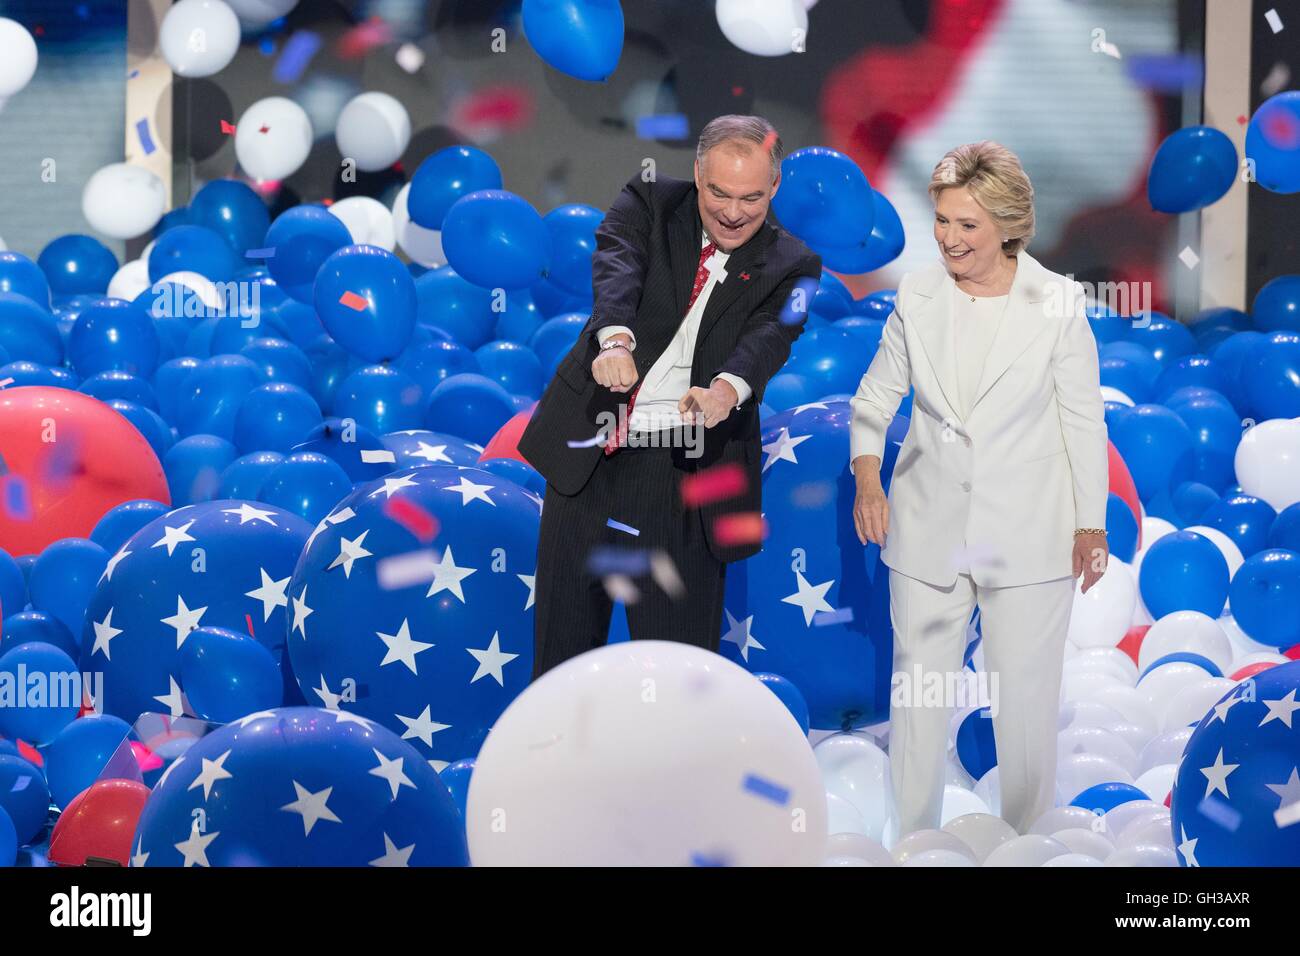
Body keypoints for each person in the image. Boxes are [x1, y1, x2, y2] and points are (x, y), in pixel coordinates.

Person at [849, 140, 1110, 836]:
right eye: (942, 220)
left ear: (1006, 226)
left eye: (967, 225)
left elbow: (1083, 419)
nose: (948, 238)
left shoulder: (1056, 302)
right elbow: (874, 398)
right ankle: (908, 843)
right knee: (917, 698)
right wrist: (868, 478)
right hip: (928, 524)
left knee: (1024, 704)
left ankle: (1023, 843)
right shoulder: (916, 292)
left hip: (1026, 533)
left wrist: (1091, 524)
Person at [518, 114, 822, 680]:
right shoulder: (648, 202)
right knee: (560, 664)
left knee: (679, 676)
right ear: (697, 176)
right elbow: (618, 266)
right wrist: (613, 339)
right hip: (593, 457)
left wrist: (727, 390)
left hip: (690, 480)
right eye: (720, 194)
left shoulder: (796, 266)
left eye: (752, 198)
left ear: (775, 187)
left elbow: (773, 335)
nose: (734, 213)